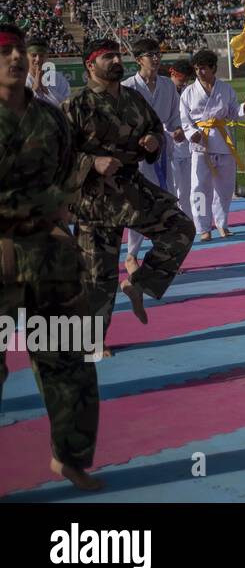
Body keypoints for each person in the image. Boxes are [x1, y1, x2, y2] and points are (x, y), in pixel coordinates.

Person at [0, 23, 103, 491]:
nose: (16, 59)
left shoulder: (50, 118)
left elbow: (68, 180)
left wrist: (59, 221)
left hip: (48, 259)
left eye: (19, 50)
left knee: (69, 364)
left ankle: (70, 455)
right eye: (4, 52)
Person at [64, 39, 196, 340]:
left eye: (117, 56)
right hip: (94, 199)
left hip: (132, 188)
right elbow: (57, 155)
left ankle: (138, 283)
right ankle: (91, 339)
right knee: (98, 278)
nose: (115, 61)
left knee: (181, 228)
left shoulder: (133, 99)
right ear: (90, 65)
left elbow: (153, 128)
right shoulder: (75, 106)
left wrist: (153, 142)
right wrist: (92, 161)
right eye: (107, 57)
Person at [122, 37, 184, 275]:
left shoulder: (168, 85)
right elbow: (123, 122)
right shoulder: (128, 87)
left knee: (165, 202)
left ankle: (164, 254)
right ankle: (131, 255)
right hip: (137, 154)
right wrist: (139, 138)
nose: (156, 58)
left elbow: (174, 116)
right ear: (139, 60)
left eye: (158, 54)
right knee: (140, 204)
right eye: (151, 55)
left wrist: (177, 129)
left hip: (162, 151)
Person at [180, 49, 245, 241]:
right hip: (201, 144)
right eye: (196, 69)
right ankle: (203, 228)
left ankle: (222, 224)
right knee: (199, 189)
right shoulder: (188, 92)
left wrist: (243, 108)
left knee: (225, 188)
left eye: (203, 68)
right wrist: (191, 134)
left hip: (222, 142)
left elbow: (232, 112)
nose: (199, 72)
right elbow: (184, 121)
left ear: (213, 68)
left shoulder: (225, 88)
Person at [167, 59, 196, 219]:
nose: (183, 84)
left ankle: (188, 221)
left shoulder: (187, 91)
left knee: (187, 189)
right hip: (169, 147)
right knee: (172, 189)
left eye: (186, 81)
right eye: (181, 80)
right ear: (173, 74)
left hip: (187, 147)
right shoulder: (163, 90)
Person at [24, 36, 71, 108]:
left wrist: (46, 91)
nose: (38, 59)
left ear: (46, 56)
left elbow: (67, 106)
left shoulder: (59, 79)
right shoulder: (21, 80)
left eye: (41, 55)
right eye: (34, 55)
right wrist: (34, 90)